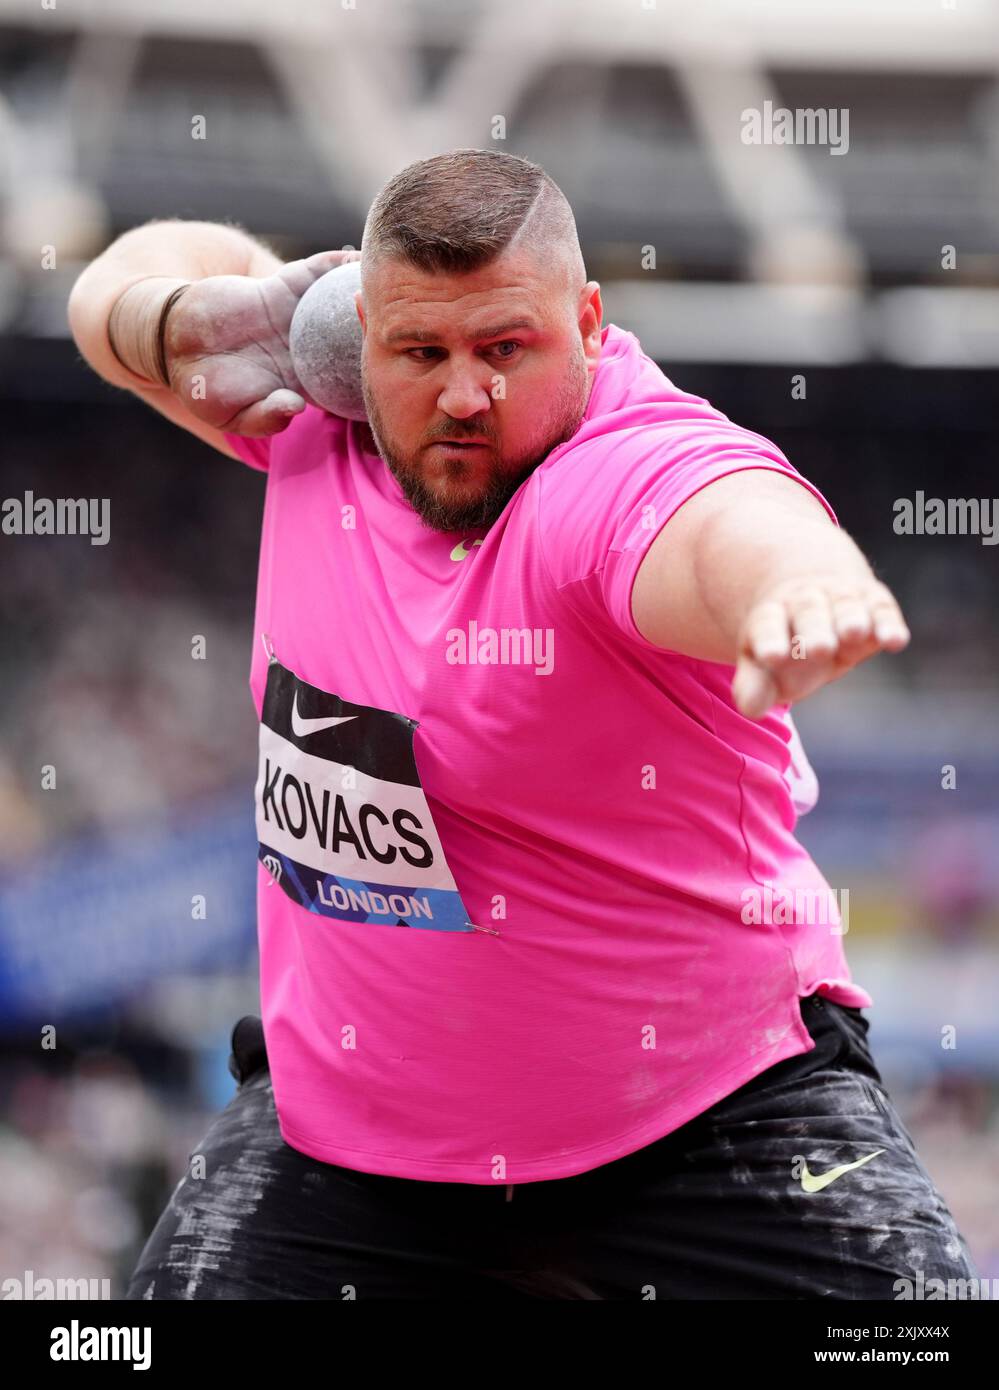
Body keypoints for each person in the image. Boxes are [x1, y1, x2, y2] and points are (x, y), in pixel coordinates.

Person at [68, 148, 978, 1299]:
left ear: (587, 324)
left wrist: (797, 587)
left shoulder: (608, 474)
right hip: (353, 1143)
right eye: (420, 352)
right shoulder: (312, 421)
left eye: (507, 350)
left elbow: (726, 518)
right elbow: (105, 297)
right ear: (355, 340)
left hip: (703, 1121)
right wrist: (195, 316)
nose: (463, 396)